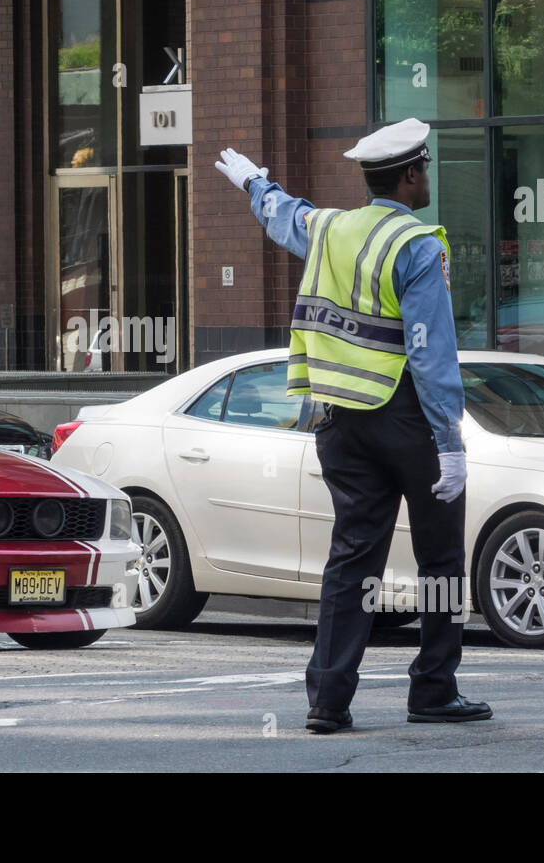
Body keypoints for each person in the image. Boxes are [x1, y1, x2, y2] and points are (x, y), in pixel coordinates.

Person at [214, 118, 492, 731]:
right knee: (440, 560)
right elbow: (429, 350)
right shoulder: (417, 245)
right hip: (408, 419)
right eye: (425, 169)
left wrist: (255, 182)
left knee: (352, 560)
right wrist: (450, 443)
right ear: (411, 173)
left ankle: (328, 701)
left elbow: (284, 214)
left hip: (340, 419)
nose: (427, 179)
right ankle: (433, 689)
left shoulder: (333, 228)